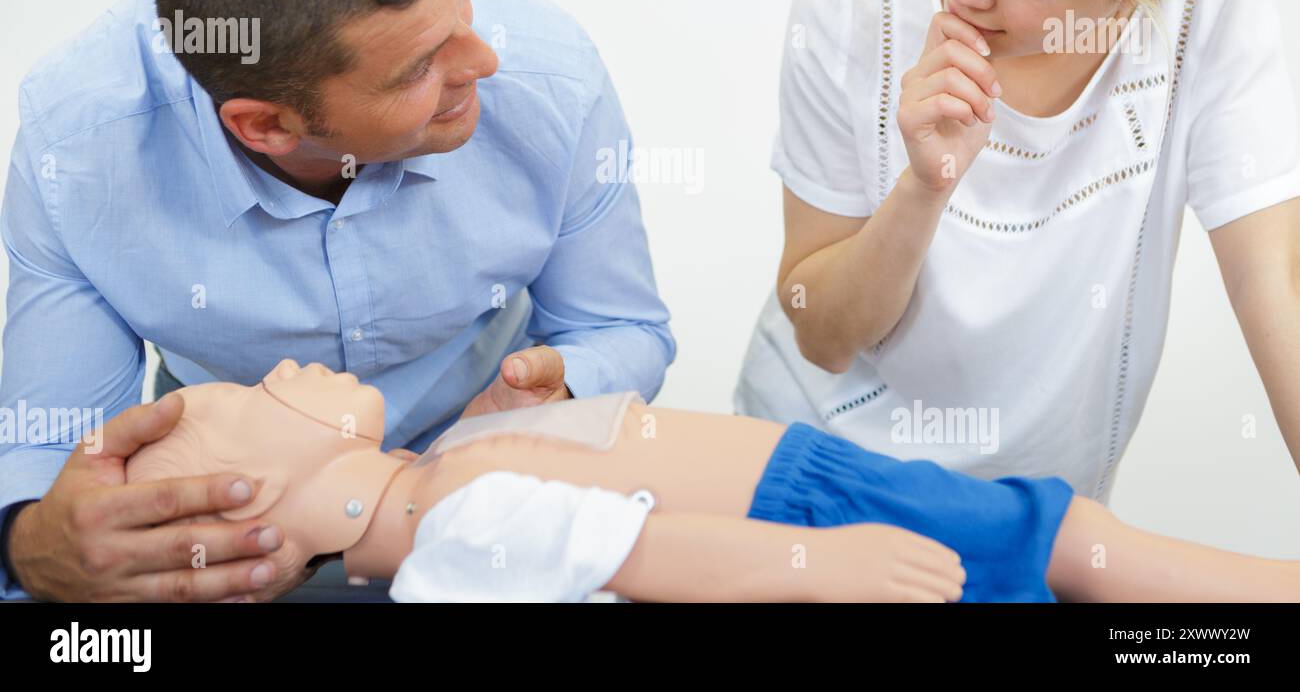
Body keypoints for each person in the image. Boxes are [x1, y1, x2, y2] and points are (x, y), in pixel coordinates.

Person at [0, 0, 674, 601]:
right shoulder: (80, 153)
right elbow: (53, 453)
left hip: (501, 480)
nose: (482, 60)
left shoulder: (548, 75)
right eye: (419, 69)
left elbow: (622, 327)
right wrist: (33, 547)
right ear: (267, 127)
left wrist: (567, 392)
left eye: (465, 1)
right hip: (246, 535)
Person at [736, 0, 1300, 498]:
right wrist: (925, 187)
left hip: (1039, 513)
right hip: (823, 473)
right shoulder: (851, 2)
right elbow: (824, 335)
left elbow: (1275, 284)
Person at [121, 359, 1300, 602]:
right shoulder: (455, 523)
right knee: (1058, 541)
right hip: (803, 522)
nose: (273, 364)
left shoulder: (445, 477)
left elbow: (576, 504)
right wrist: (818, 559)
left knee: (1056, 545)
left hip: (812, 493)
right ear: (254, 504)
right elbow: (640, 550)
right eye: (243, 400)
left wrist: (522, 423)